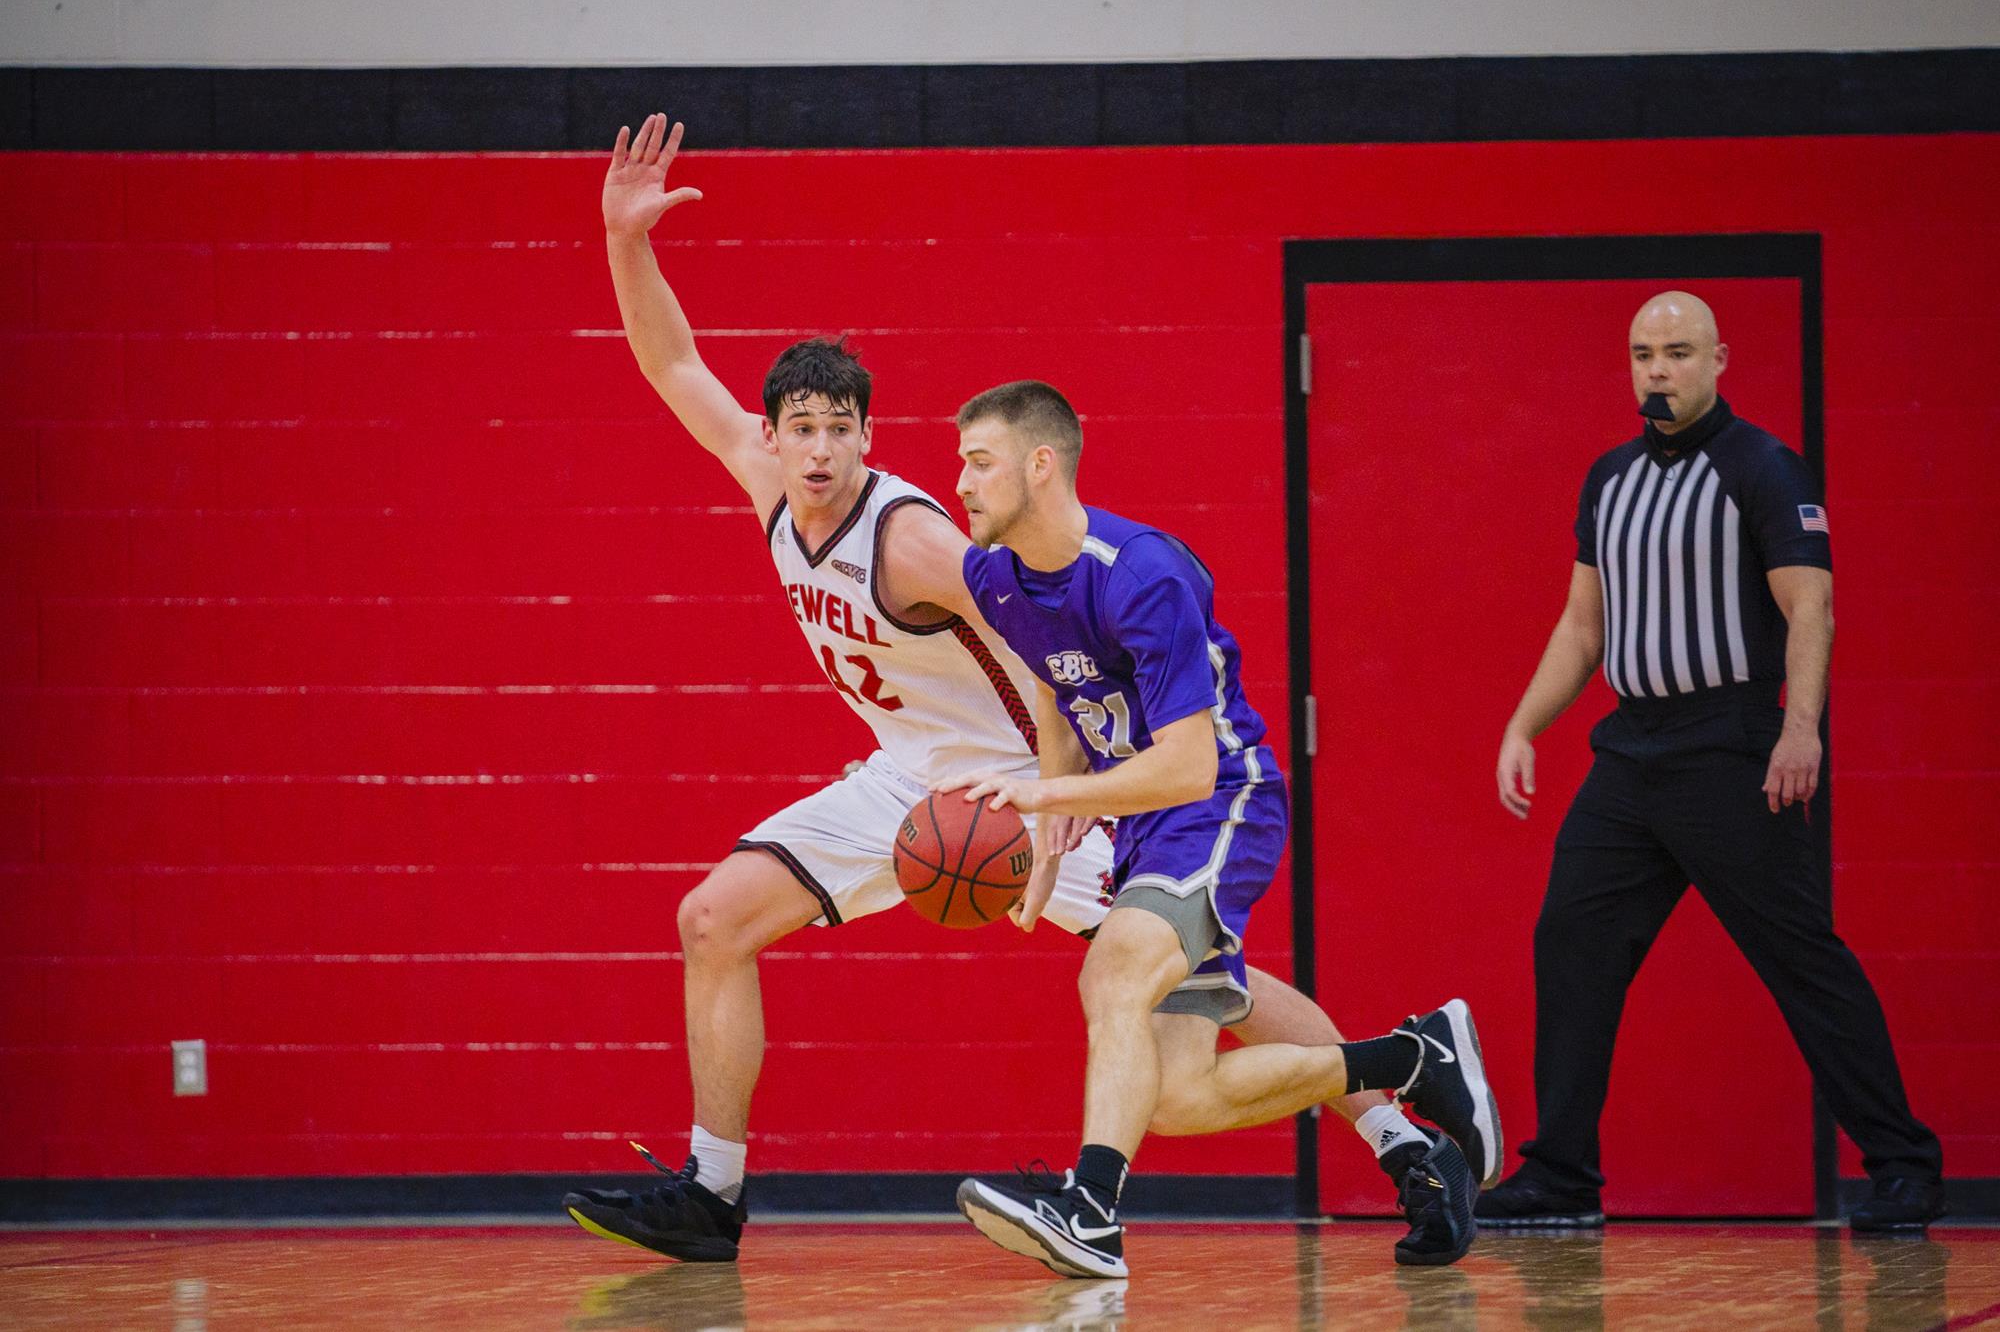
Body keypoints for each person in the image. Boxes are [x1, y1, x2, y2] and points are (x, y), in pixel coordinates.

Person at [561, 114, 1474, 1267]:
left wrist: (1074, 788)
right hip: (902, 775)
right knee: (712, 918)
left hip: (1015, 784)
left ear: (865, 436)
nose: (819, 453)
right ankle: (713, 1191)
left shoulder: (918, 543)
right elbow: (670, 363)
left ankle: (1400, 1139)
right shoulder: (761, 475)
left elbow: (1058, 643)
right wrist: (624, 240)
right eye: (801, 431)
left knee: (1211, 984)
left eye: (841, 432)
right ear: (777, 435)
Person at [944, 380, 1503, 1279]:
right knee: (1177, 1097)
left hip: (1219, 802)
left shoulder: (1141, 571)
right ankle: (1413, 1054)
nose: (961, 483)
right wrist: (1050, 841)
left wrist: (1039, 801)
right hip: (1140, 828)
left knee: (1115, 965)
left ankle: (1090, 1210)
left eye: (978, 461)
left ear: (1040, 464)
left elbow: (1188, 765)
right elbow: (1055, 688)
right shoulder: (993, 573)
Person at [1482, 291, 1944, 1231]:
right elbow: (1583, 625)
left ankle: (1903, 1163)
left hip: (1732, 751)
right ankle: (1562, 1172)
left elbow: (1810, 609)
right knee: (1570, 942)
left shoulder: (1764, 468)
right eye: (1644, 353)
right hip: (1631, 752)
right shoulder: (1608, 478)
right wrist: (1523, 725)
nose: (1658, 369)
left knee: (1801, 958)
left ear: (1720, 359)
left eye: (1679, 352)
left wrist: (1799, 728)